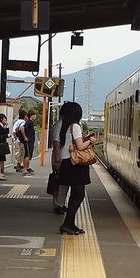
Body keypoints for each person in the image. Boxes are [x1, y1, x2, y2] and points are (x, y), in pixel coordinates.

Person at [54, 100, 93, 236]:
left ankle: (69, 223)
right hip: (76, 164)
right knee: (79, 194)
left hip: (66, 163)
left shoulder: (64, 126)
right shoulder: (75, 126)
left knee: (75, 195)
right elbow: (81, 147)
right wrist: (90, 141)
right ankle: (67, 224)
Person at [50, 109, 70, 214]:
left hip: (64, 158)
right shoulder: (60, 125)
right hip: (60, 158)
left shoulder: (64, 124)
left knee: (64, 183)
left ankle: (61, 204)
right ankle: (57, 205)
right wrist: (57, 160)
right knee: (59, 182)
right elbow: (56, 143)